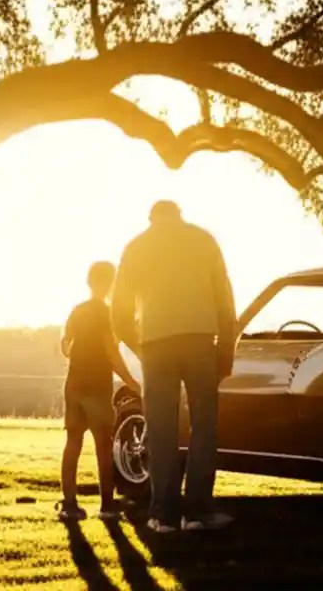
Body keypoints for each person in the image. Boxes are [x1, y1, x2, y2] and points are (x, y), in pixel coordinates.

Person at [111, 200, 237, 533]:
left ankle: (163, 513)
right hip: (199, 341)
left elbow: (118, 315)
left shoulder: (136, 247)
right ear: (180, 214)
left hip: (156, 343)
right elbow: (225, 301)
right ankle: (197, 511)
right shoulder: (203, 239)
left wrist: (140, 347)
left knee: (162, 429)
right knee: (204, 427)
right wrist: (225, 352)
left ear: (151, 217)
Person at [57, 260, 141, 522]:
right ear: (111, 283)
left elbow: (65, 345)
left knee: (73, 443)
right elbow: (109, 348)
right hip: (96, 384)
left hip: (74, 383)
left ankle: (70, 504)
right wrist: (130, 379)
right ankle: (107, 505)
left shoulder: (77, 310)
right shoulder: (107, 312)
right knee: (104, 444)